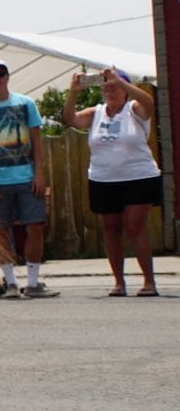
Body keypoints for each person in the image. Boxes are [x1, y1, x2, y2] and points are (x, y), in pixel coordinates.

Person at [65, 67, 162, 297]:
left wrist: (121, 80)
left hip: (138, 177)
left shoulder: (133, 109)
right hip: (104, 178)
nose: (109, 89)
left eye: (114, 85)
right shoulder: (96, 112)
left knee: (135, 227)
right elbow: (71, 119)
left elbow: (148, 102)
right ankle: (119, 282)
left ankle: (149, 281)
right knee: (110, 229)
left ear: (125, 89)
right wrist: (73, 92)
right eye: (105, 85)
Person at [0, 58, 58, 299]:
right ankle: (10, 283)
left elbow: (37, 143)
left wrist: (39, 174)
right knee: (0, 232)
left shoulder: (26, 103)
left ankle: (33, 282)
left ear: (7, 76)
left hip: (26, 177)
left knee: (36, 227)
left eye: (0, 74)